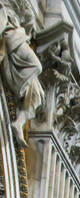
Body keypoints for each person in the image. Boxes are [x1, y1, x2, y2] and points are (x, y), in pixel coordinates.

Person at [0, 2, 43, 145]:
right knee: (37, 66)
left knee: (37, 94)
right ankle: (19, 88)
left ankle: (19, 122)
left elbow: (30, 24)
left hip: (18, 37)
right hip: (11, 34)